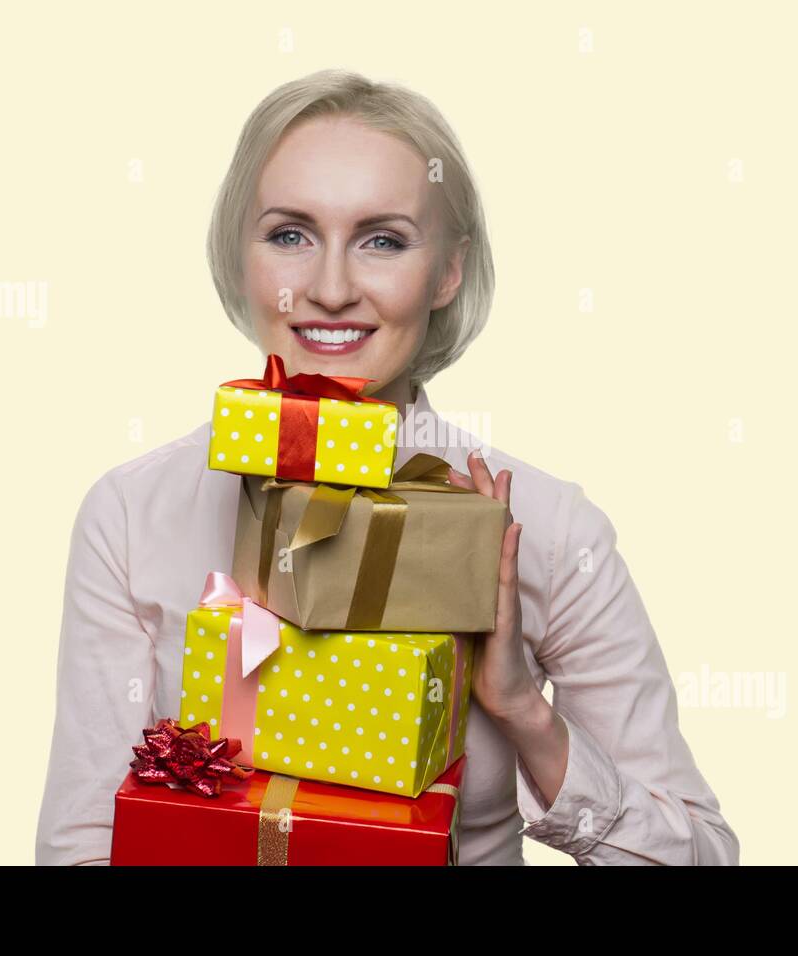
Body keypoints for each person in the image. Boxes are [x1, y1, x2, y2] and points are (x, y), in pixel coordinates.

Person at [36, 69, 740, 865]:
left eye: (383, 240)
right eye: (290, 234)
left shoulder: (540, 528)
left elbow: (700, 857)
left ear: (447, 271)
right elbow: (84, 844)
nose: (331, 288)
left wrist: (521, 710)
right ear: (241, 259)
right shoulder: (131, 515)